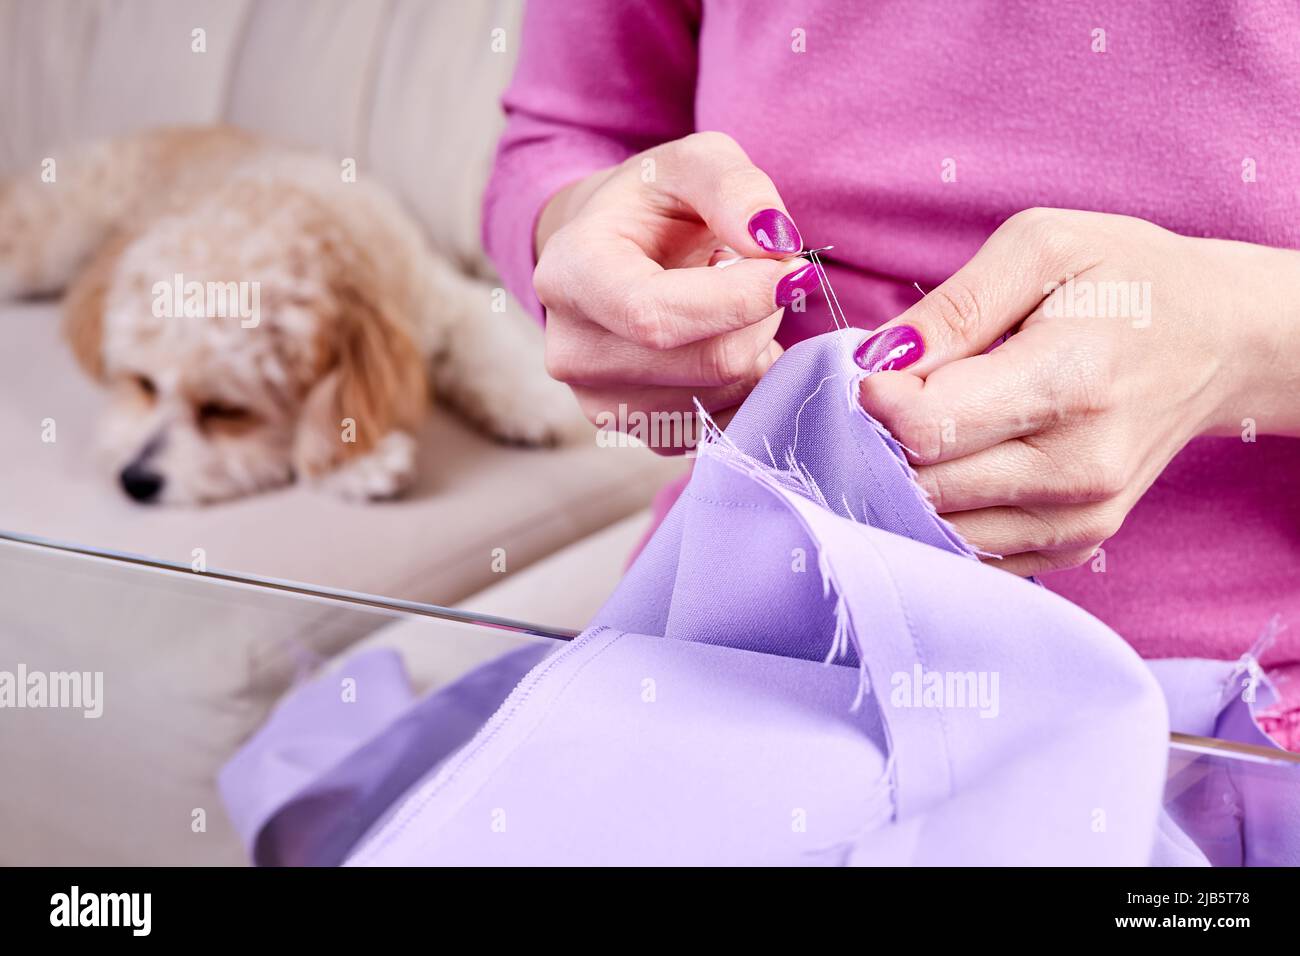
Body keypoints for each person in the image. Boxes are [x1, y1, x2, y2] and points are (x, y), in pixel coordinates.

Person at [482, 0, 1300, 743]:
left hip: (1229, 733)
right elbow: (563, 136)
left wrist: (1243, 342)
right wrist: (588, 241)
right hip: (731, 660)